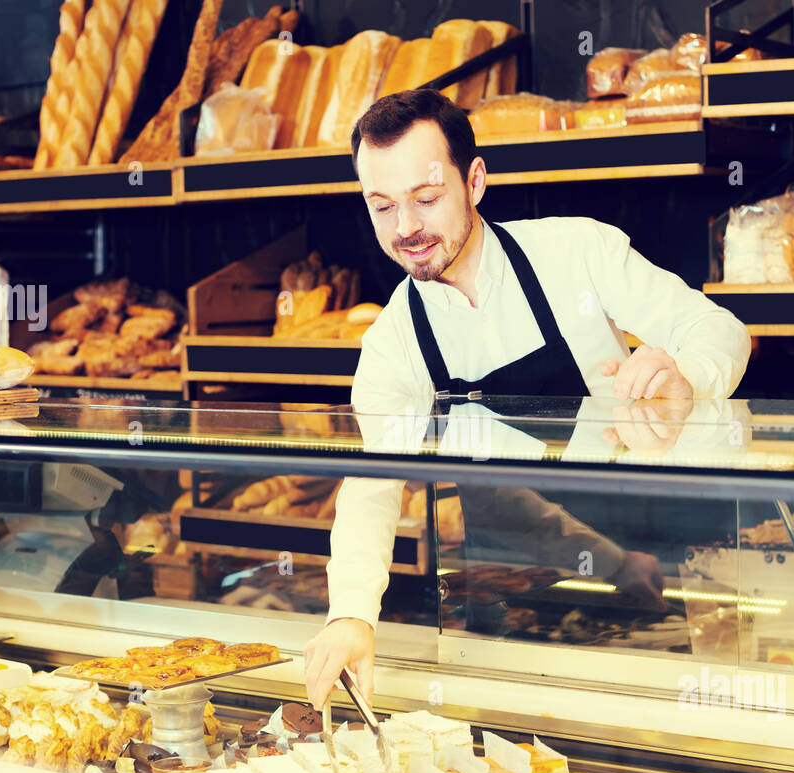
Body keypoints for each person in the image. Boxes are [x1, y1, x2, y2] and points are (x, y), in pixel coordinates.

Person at [303, 89, 750, 709]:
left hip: (670, 578)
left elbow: (721, 330)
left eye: (426, 200)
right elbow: (376, 486)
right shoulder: (392, 346)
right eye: (382, 207)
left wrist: (684, 374)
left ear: (475, 181)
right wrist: (351, 613)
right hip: (511, 605)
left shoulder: (577, 254)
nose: (406, 229)